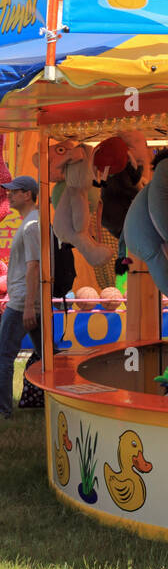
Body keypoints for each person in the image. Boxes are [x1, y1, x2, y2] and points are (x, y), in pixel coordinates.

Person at [0, 177, 41, 420]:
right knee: (48, 355)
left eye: (14, 191)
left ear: (28, 194)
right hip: (27, 300)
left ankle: (4, 410)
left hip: (22, 302)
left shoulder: (31, 225)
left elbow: (34, 266)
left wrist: (27, 305)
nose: (9, 195)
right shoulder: (31, 222)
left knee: (3, 356)